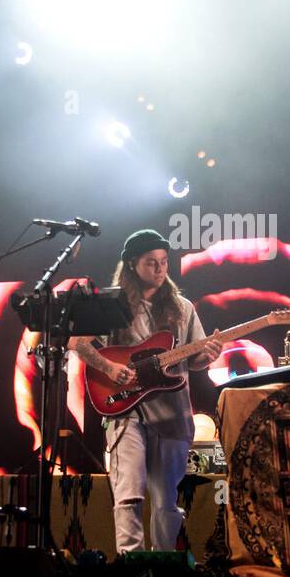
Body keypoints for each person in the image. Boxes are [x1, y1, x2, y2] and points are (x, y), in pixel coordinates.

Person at [69, 229, 221, 554]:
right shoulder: (112, 304)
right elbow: (78, 342)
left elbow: (194, 363)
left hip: (173, 414)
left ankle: (162, 565)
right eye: (151, 262)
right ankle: (131, 567)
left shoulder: (183, 307)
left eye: (164, 262)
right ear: (131, 264)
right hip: (127, 411)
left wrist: (206, 356)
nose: (159, 269)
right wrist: (109, 368)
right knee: (129, 495)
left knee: (168, 501)